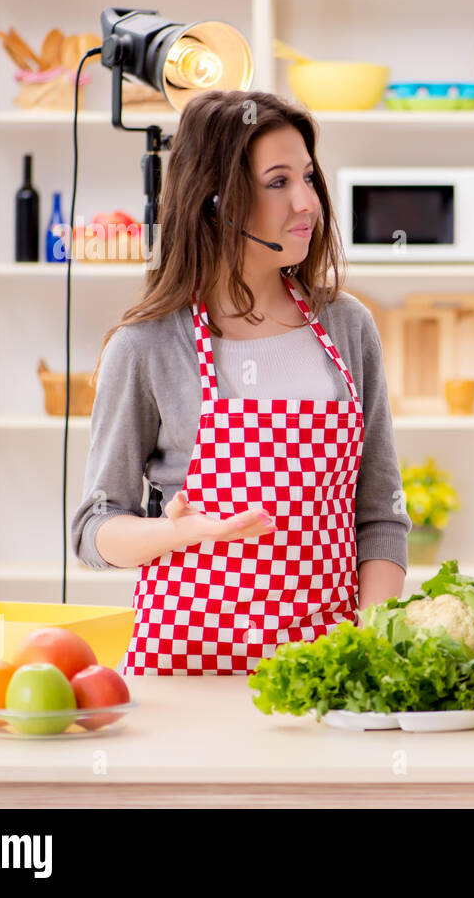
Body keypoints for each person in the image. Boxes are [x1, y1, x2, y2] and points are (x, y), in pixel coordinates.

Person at [70, 90, 409, 674]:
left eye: (308, 177)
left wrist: (372, 653)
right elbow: (93, 529)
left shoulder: (347, 326)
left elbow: (380, 517)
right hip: (187, 670)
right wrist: (177, 534)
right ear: (215, 201)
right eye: (278, 182)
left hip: (327, 670)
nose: (307, 202)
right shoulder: (147, 345)